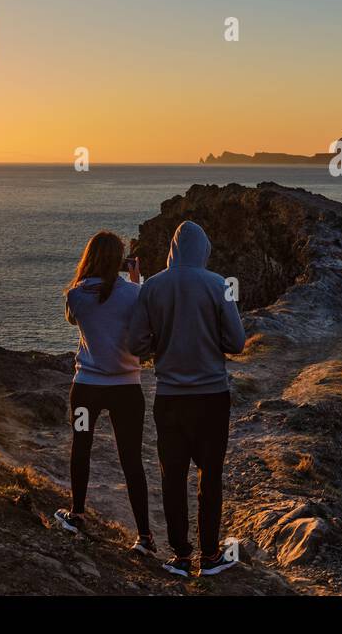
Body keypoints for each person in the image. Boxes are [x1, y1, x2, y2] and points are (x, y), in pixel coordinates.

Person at [128, 221, 246, 577]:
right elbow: (237, 342)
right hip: (212, 396)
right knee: (210, 477)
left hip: (170, 398)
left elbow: (135, 344)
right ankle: (210, 557)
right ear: (204, 249)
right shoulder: (219, 284)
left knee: (173, 477)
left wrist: (160, 347)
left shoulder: (152, 286)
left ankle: (180, 556)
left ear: (173, 249)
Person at [56, 230, 155, 556]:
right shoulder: (135, 293)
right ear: (120, 260)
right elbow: (144, 320)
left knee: (81, 447)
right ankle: (144, 538)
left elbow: (74, 320)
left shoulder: (76, 295)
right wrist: (137, 280)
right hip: (126, 390)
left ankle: (77, 514)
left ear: (89, 258)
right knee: (131, 461)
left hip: (87, 389)